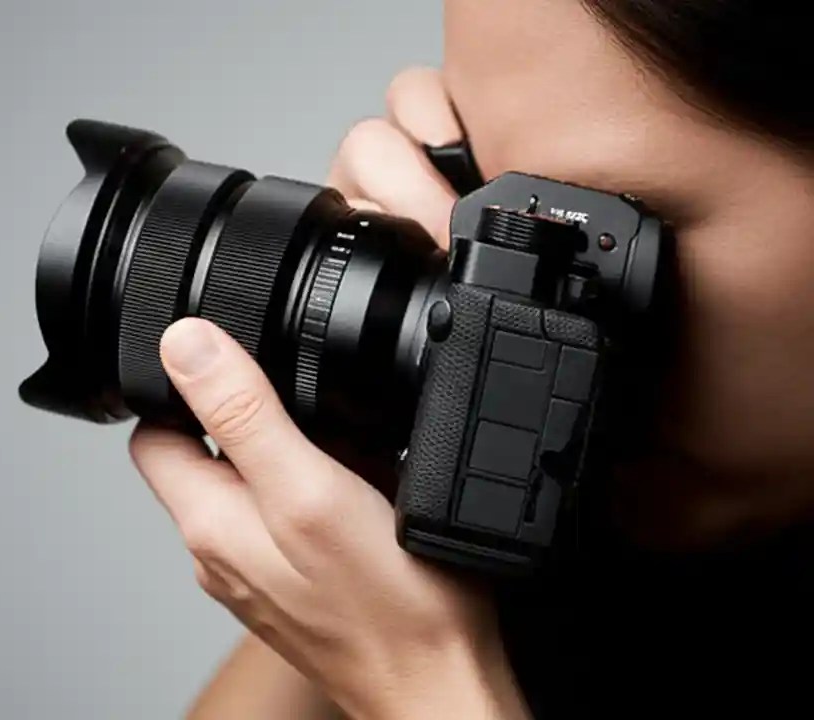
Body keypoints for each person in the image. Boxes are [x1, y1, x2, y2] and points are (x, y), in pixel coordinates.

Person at [126, 0, 813, 717]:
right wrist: (381, 517)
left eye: (598, 227)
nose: (527, 315)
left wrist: (424, 684)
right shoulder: (608, 541)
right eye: (500, 201)